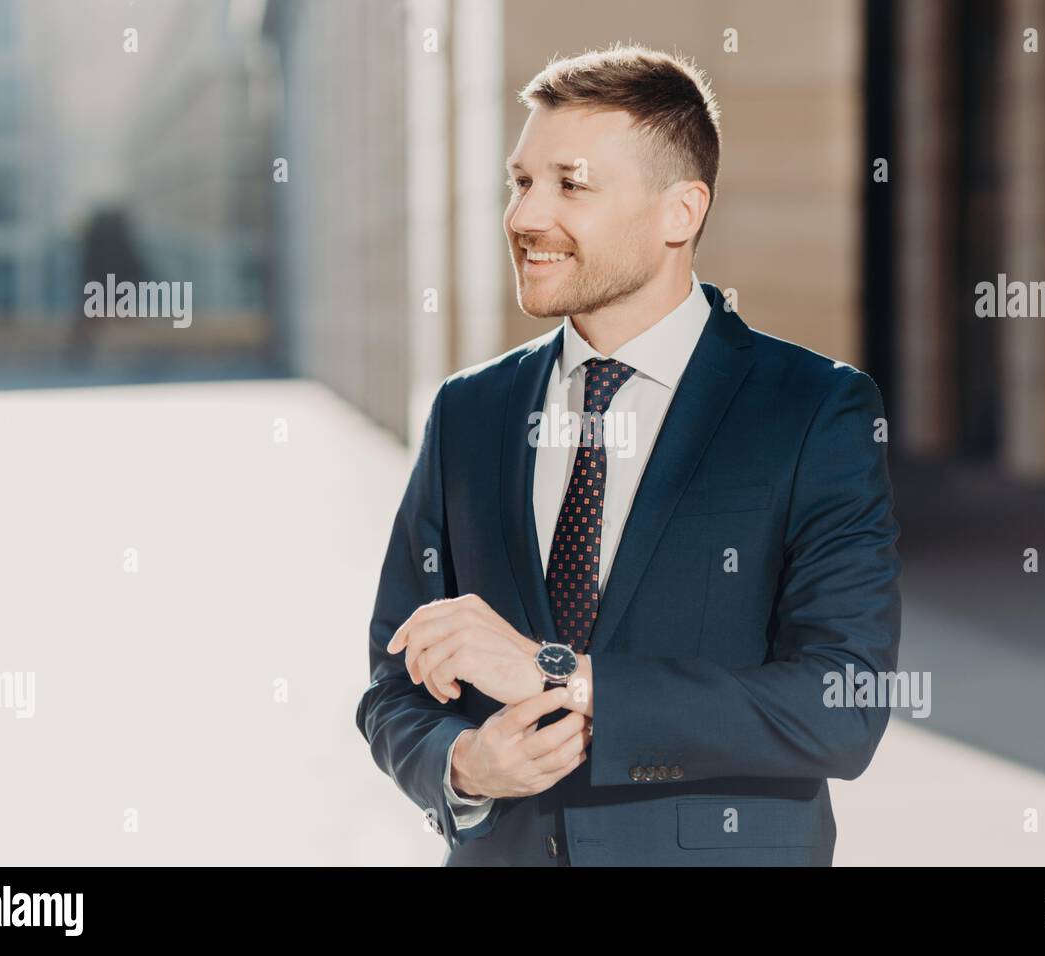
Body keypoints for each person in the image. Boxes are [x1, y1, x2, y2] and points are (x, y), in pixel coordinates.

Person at [357, 44, 901, 866]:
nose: (524, 217)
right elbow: (393, 681)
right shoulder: (469, 410)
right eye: (520, 182)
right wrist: (462, 766)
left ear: (680, 212)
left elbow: (842, 705)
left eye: (570, 185)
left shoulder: (814, 410)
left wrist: (564, 677)